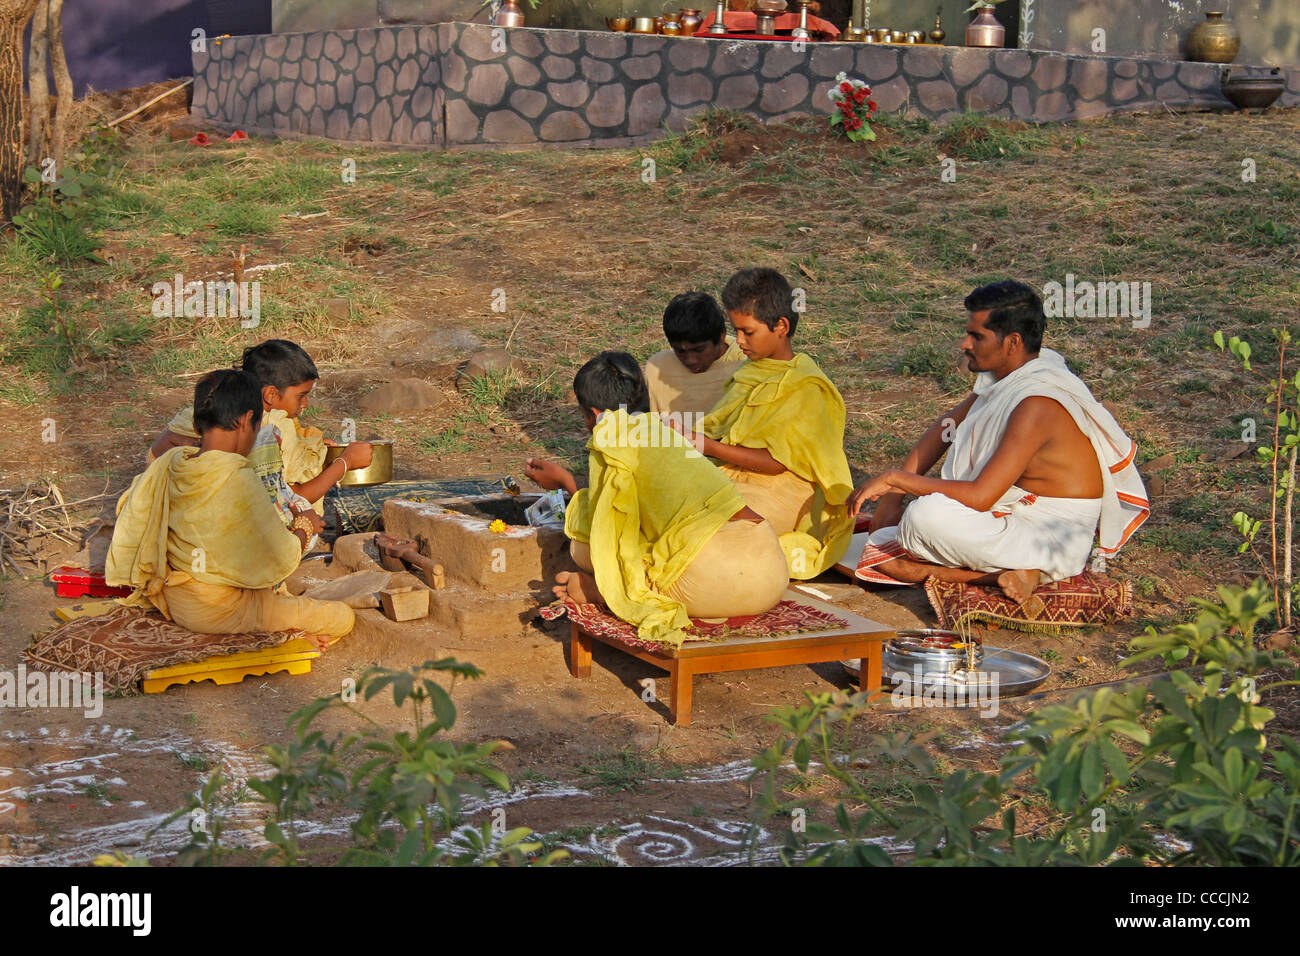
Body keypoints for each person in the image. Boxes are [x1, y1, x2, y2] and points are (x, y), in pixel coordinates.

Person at [849, 279, 1150, 608]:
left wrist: (896, 479)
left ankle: (1025, 572)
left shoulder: (1036, 404)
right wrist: (893, 499)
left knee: (924, 518)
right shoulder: (1008, 374)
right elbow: (947, 426)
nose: (965, 344)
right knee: (897, 530)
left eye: (977, 336)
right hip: (1012, 513)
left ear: (1012, 342)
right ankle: (1009, 570)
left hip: (1053, 535)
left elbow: (980, 496)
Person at [525, 351, 788, 647]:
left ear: (595, 414)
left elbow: (606, 527)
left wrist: (565, 482)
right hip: (771, 573)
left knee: (582, 547)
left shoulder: (611, 436)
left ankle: (601, 592)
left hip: (713, 580)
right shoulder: (666, 430)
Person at [107, 369, 355, 649]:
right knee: (342, 618)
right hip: (218, 610)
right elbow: (280, 558)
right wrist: (304, 525)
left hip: (178, 598)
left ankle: (282, 630)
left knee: (271, 595)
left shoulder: (175, 461)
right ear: (247, 420)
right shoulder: (238, 477)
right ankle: (288, 637)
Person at [671, 268, 853, 580]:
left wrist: (704, 445)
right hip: (730, 477)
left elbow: (776, 463)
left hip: (782, 493)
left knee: (710, 540)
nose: (738, 341)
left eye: (748, 332)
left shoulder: (807, 387)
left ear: (781, 326)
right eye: (735, 330)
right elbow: (722, 433)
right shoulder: (749, 373)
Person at [149, 340, 372, 525]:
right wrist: (345, 462)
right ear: (271, 395)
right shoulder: (270, 428)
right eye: (301, 395)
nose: (305, 404)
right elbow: (294, 498)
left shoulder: (208, 408)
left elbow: (158, 450)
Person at [644, 291, 745, 419]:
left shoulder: (744, 365)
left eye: (699, 350)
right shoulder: (659, 368)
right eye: (680, 351)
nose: (690, 360)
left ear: (721, 337)